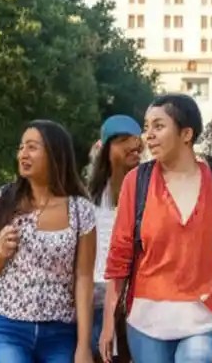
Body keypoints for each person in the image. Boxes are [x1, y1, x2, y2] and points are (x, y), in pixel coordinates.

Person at [100, 94, 212, 363]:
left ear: (186, 133)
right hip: (146, 320)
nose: (148, 136)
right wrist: (109, 322)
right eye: (146, 128)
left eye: (158, 126)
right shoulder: (137, 182)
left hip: (202, 318)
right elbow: (119, 257)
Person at [0, 121, 97, 363]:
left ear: (54, 153)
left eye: (32, 147)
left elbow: (83, 278)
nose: (23, 154)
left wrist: (83, 346)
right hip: (7, 327)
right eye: (21, 148)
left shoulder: (81, 210)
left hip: (61, 332)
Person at [87, 115, 144, 363]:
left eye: (136, 141)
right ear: (106, 148)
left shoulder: (147, 189)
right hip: (95, 294)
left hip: (134, 295)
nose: (133, 146)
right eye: (123, 141)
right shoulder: (88, 195)